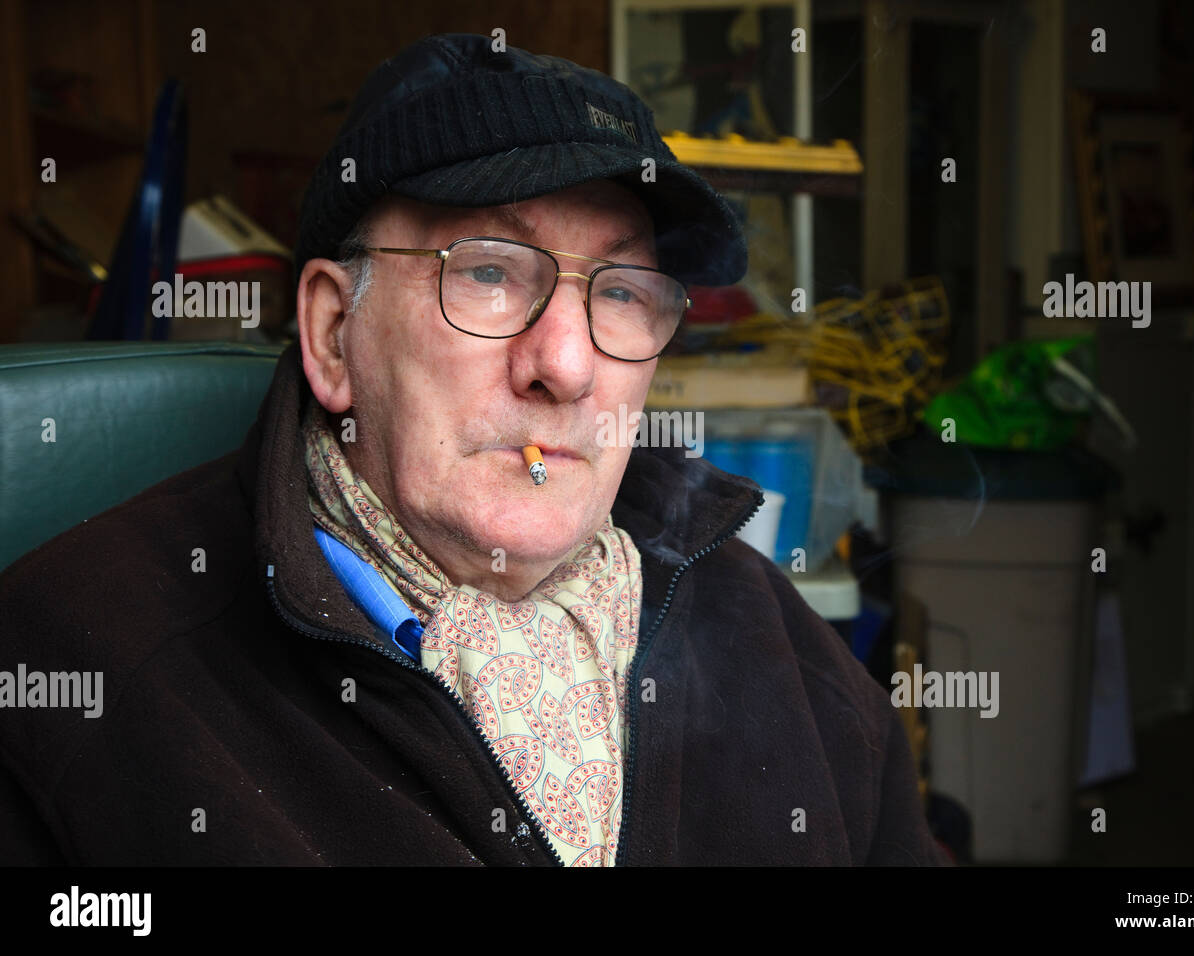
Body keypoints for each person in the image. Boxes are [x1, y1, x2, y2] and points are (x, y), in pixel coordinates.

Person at [0, 33, 949, 866]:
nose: (568, 365)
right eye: (490, 272)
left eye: (620, 292)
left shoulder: (777, 640)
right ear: (334, 335)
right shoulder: (78, 672)